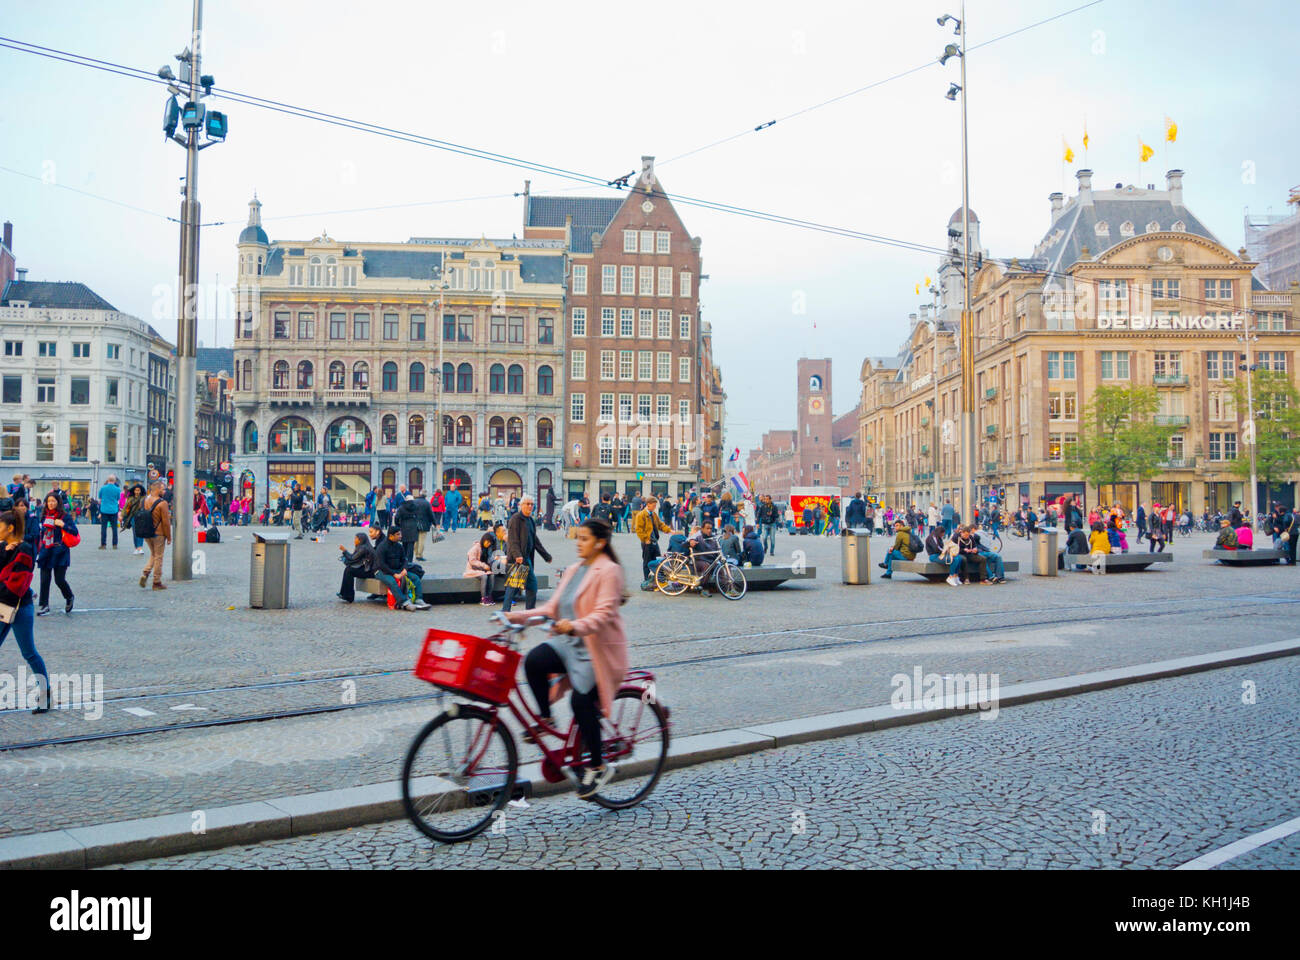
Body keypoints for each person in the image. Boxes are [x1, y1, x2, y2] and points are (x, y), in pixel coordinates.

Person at [510, 517, 628, 799]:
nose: (578, 543)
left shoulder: (610, 571)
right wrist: (514, 617)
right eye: (578, 537)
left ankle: (598, 766)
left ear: (600, 543)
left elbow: (603, 614)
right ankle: (547, 719)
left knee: (581, 702)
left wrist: (575, 625)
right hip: (569, 644)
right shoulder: (575, 569)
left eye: (584, 538)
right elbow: (552, 607)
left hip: (595, 652)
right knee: (534, 661)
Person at [0, 504, 50, 713]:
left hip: (19, 608)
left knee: (29, 653)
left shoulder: (26, 549)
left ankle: (45, 696)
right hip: (4, 605)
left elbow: (16, 586)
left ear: (10, 528)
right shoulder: (3, 547)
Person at [502, 494, 552, 612]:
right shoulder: (515, 519)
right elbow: (512, 539)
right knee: (514, 586)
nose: (530, 506)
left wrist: (546, 556)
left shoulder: (530, 520)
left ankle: (528, 610)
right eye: (527, 504)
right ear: (521, 505)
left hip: (527, 558)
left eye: (532, 504)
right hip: (518, 559)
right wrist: (517, 555)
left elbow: (535, 540)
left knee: (531, 586)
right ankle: (506, 610)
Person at [34, 493, 78, 615]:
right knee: (44, 580)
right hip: (46, 550)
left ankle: (69, 596)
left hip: (60, 551)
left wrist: (63, 525)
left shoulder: (64, 516)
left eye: (53, 501)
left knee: (59, 580)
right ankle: (44, 605)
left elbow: (74, 531)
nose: (51, 503)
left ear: (58, 502)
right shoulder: (44, 515)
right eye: (49, 501)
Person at [136, 480, 172, 591]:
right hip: (159, 533)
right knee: (159, 557)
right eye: (163, 489)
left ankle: (146, 573)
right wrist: (169, 537)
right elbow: (166, 523)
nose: (164, 491)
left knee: (153, 554)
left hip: (147, 532)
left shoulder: (143, 501)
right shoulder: (162, 503)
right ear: (157, 489)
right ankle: (156, 582)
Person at [633, 495, 671, 582]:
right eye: (654, 505)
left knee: (657, 560)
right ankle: (646, 580)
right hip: (647, 542)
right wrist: (645, 539)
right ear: (648, 504)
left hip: (654, 541)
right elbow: (638, 529)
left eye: (655, 506)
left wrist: (669, 530)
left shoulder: (653, 514)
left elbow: (660, 524)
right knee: (647, 561)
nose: (655, 507)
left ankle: (656, 579)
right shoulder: (641, 515)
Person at [337, 529, 376, 603]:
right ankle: (345, 594)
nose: (354, 540)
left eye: (356, 538)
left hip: (369, 571)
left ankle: (348, 595)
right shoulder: (363, 547)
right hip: (366, 569)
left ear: (360, 540)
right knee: (348, 569)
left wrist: (344, 550)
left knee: (349, 571)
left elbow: (352, 558)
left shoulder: (363, 548)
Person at [464, 531, 500, 605]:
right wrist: (484, 566)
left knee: (492, 575)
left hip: (483, 569)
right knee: (484, 576)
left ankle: (489, 596)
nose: (488, 544)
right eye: (487, 542)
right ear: (484, 539)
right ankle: (483, 598)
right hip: (473, 569)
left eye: (490, 543)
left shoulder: (486, 549)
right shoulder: (475, 548)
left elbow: (489, 560)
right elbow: (472, 561)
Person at [96, 475, 121, 550]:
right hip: (114, 510)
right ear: (115, 481)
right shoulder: (117, 489)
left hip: (104, 510)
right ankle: (115, 544)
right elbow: (118, 498)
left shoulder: (103, 488)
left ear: (107, 480)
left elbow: (100, 498)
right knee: (114, 528)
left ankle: (103, 544)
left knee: (103, 528)